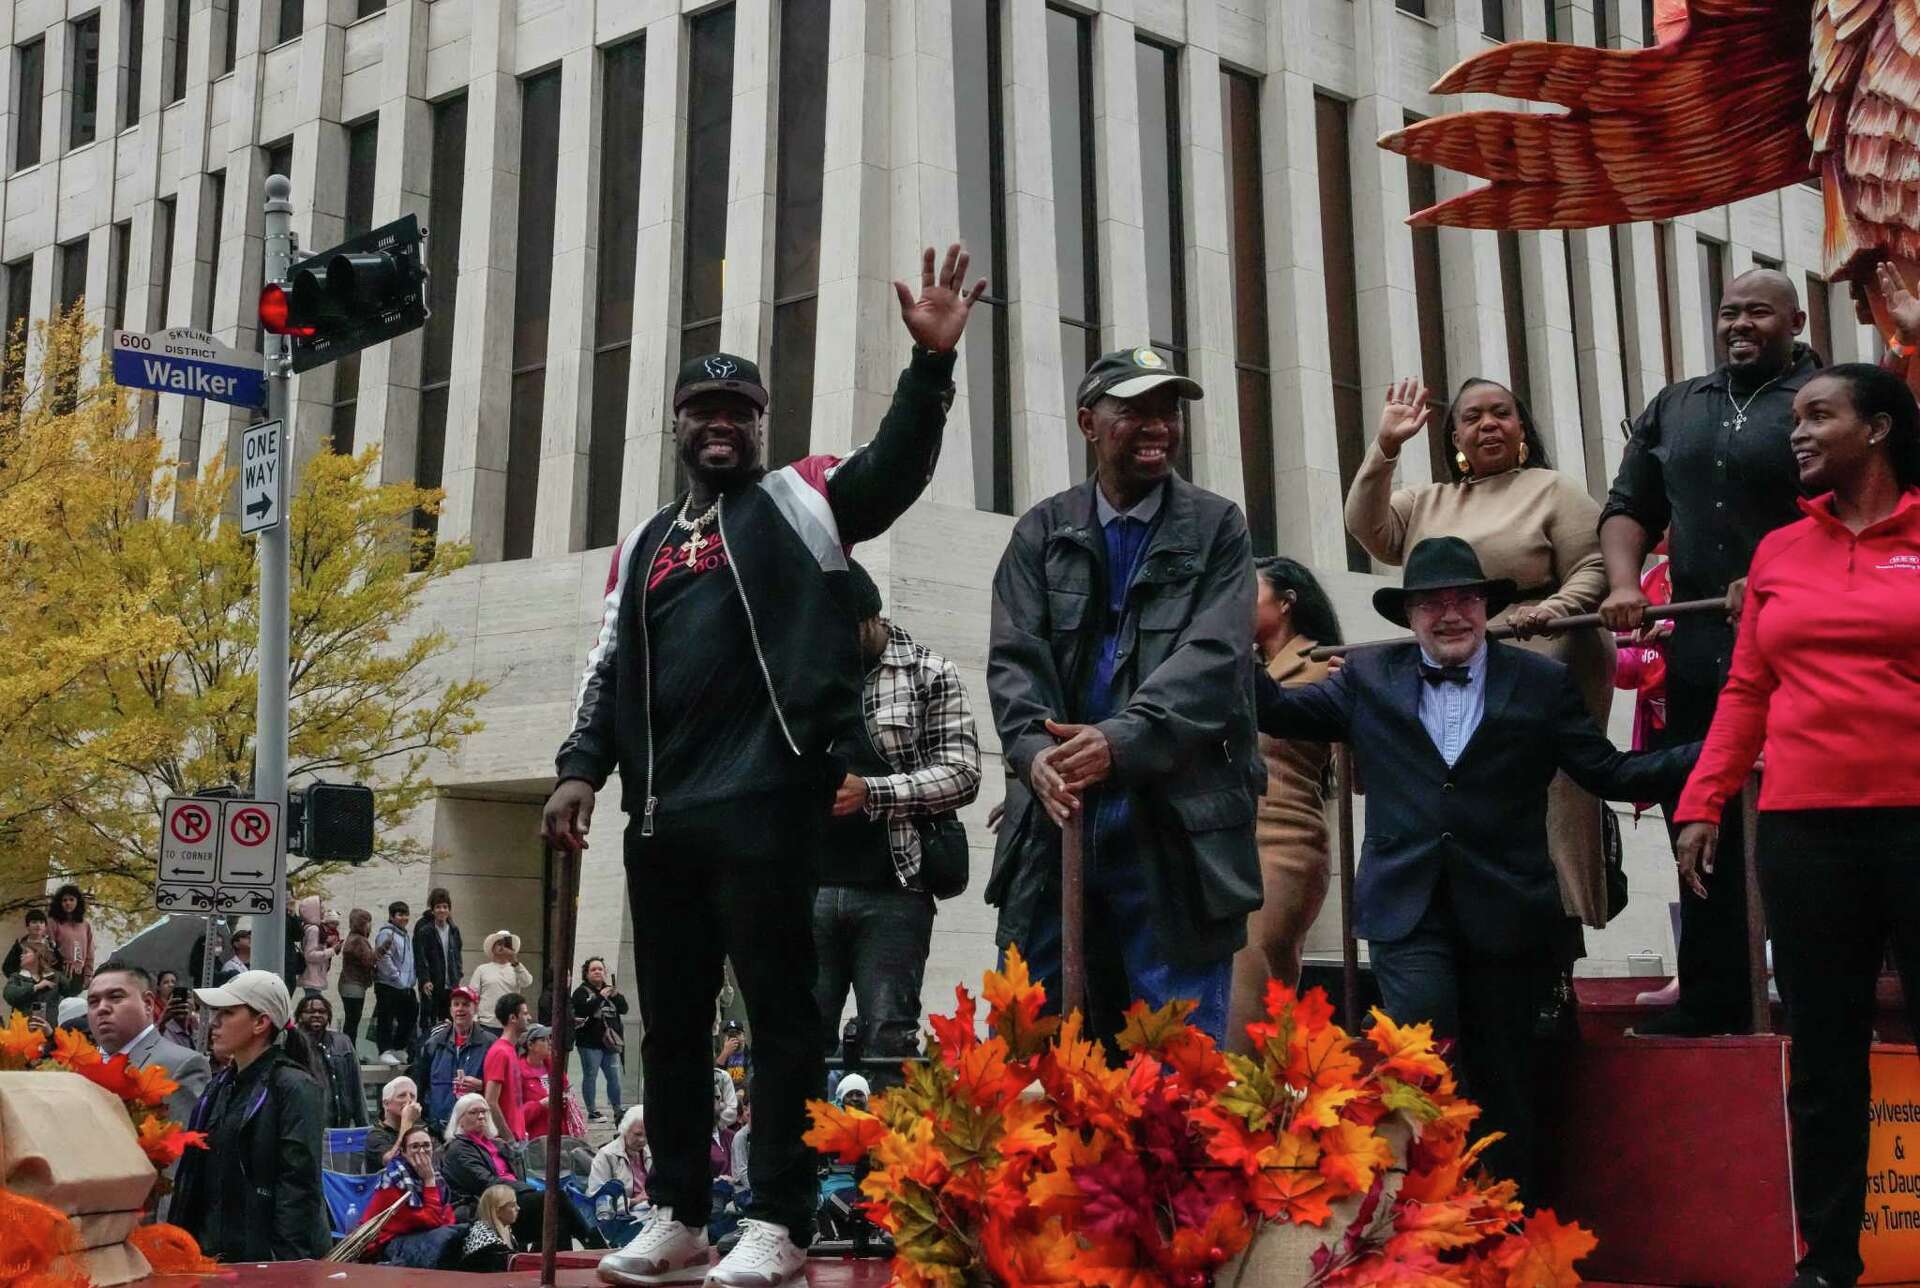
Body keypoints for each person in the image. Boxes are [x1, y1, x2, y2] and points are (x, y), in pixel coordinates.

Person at [544, 242, 983, 1288]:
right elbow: (607, 667)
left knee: (785, 1019)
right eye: (706, 410)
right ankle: (680, 1212)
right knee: (674, 1026)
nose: (723, 424)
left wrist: (929, 372)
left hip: (773, 808)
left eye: (740, 409)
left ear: (760, 425)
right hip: (663, 818)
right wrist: (578, 768)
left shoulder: (803, 500)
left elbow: (892, 471)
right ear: (681, 428)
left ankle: (779, 1219)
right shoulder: (645, 542)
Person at [1252, 536, 1701, 1196]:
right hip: (1406, 906)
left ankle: (1508, 1223)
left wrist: (1712, 755)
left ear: (1486, 607)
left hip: (1508, 910)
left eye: (1464, 599)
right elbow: (1278, 708)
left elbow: (1607, 771)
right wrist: (1227, 637)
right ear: (1410, 616)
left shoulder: (1541, 681)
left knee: (1505, 1077)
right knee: (1421, 1054)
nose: (1451, 614)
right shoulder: (1370, 678)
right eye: (1432, 603)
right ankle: (1429, 1217)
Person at [1671, 363, 1920, 1288]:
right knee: (1823, 1055)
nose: (1798, 433)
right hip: (1806, 830)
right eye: (1796, 419)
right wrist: (1702, 801)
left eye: (1820, 416)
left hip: (1916, 822)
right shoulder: (1778, 551)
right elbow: (1746, 690)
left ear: (1882, 429)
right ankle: (1829, 1261)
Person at [985, 346, 1261, 1046]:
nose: (1158, 426)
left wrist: (1120, 740)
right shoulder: (1039, 533)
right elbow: (1015, 659)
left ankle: (1170, 1162)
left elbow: (1215, 657)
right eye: (1134, 410)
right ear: (1087, 422)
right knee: (1030, 1042)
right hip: (1057, 817)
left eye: (1168, 410)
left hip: (1175, 820)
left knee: (1177, 1051)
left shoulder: (1219, 525)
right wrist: (1030, 755)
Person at [1599, 268, 1821, 1038]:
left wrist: (1772, 572)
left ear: (1795, 319)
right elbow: (1629, 506)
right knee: (1698, 807)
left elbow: (1867, 498)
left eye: (1758, 312)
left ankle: (1816, 999)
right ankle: (1712, 998)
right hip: (1697, 652)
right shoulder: (1675, 404)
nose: (1739, 325)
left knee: (1803, 828)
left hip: (1803, 648)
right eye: (1729, 312)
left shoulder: (1827, 398)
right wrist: (1627, 583)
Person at [1347, 376, 1616, 947]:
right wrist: (1386, 448)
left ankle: (1555, 950)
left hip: (1543, 653)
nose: (1487, 424)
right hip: (1447, 662)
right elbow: (1367, 529)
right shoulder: (1427, 501)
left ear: (1522, 428)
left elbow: (1594, 567)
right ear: (1454, 437)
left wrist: (1549, 612)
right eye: (1471, 417)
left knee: (1546, 807)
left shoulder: (1554, 490)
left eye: (1501, 413)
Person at [814, 558, 982, 1059]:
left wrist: (873, 791)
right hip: (808, 883)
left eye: (843, 633)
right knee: (796, 1035)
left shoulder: (929, 672)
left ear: (872, 620)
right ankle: (792, 1141)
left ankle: (890, 1139)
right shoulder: (806, 669)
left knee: (888, 1038)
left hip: (895, 885)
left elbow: (964, 772)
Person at [1226, 557, 1344, 1052]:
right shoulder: (1237, 669)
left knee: (1254, 966)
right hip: (1231, 838)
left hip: (1285, 840)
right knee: (1244, 973)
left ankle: (1243, 1097)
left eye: (1247, 592)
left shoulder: (1324, 664)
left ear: (1286, 602)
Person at [170, 969, 329, 1261]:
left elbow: (298, 1188)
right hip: (210, 1258)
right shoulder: (219, 1086)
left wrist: (284, 1269)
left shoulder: (295, 1087)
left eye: (227, 1012)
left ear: (260, 1023)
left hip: (264, 1264)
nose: (214, 1022)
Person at [441, 1091, 594, 1250]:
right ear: (460, 1120)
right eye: (473, 1112)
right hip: (485, 1204)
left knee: (558, 1222)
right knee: (556, 1198)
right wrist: (526, 1189)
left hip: (515, 1197)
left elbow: (519, 1171)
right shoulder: (458, 1149)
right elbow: (486, 1182)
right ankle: (592, 1243)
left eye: (484, 1111)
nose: (481, 1116)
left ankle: (557, 1266)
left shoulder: (497, 1144)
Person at [88, 961, 211, 1129]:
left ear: (148, 1003)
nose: (102, 1008)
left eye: (115, 997)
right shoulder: (77, 1069)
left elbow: (180, 1149)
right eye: (93, 1001)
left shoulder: (181, 1065)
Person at [356, 1124, 462, 1266]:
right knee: (445, 1240)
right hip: (386, 1244)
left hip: (421, 1236)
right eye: (415, 1146)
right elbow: (428, 1221)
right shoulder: (393, 1179)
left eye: (426, 1145)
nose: (422, 1151)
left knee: (465, 1233)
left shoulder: (435, 1173)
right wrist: (429, 1182)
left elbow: (448, 1217)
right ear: (403, 1152)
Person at [414, 983, 495, 1135]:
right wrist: (427, 1119)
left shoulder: (489, 1044)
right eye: (456, 1004)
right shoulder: (433, 1043)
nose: (460, 1009)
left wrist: (481, 1086)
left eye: (466, 1004)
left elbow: (500, 1088)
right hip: (437, 1129)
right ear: (450, 1009)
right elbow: (420, 1084)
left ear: (475, 1008)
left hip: (475, 1130)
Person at [295, 994, 368, 1129]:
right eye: (310, 1011)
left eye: (322, 1011)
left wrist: (362, 1126)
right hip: (303, 1126)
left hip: (339, 1126)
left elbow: (356, 1086)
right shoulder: (291, 1044)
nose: (317, 1015)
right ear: (300, 1016)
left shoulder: (342, 1042)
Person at [573, 957, 629, 1122]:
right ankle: (592, 1111)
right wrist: (600, 998)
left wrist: (616, 995)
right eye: (593, 970)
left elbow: (624, 1009)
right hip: (590, 1043)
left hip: (610, 1042)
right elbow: (583, 1010)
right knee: (590, 1075)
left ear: (605, 972)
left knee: (614, 1076)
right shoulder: (581, 992)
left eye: (600, 969)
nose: (597, 972)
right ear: (587, 973)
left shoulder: (610, 990)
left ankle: (617, 1109)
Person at [589, 1106, 652, 1228]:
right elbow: (598, 1199)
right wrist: (635, 1201)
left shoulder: (650, 1151)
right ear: (624, 1129)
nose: (643, 1140)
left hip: (652, 1209)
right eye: (637, 1134)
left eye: (647, 1134)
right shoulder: (606, 1155)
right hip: (624, 1218)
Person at [518, 1022, 582, 1141]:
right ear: (530, 1045)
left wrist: (566, 1098)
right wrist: (540, 1105)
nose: (550, 1043)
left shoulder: (554, 1066)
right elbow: (515, 1116)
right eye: (544, 1040)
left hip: (561, 1135)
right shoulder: (518, 1072)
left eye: (550, 1038)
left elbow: (566, 1089)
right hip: (535, 1140)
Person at [373, 901, 418, 1063]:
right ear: (391, 916)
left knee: (410, 1013)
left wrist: (410, 980)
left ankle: (399, 1048)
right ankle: (384, 1050)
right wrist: (395, 976)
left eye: (406, 914)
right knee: (386, 1017)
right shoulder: (386, 934)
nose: (404, 917)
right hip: (388, 984)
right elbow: (383, 957)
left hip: (405, 985)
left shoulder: (405, 935)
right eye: (400, 914)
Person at [413, 887, 464, 1028]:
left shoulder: (454, 930)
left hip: (451, 984)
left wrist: (458, 974)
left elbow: (458, 955)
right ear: (432, 909)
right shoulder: (425, 930)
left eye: (445, 907)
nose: (441, 910)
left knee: (449, 1021)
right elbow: (421, 958)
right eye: (438, 907)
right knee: (429, 1021)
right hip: (433, 984)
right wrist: (425, 980)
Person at [483, 992, 530, 1142]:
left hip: (518, 1137)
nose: (529, 1017)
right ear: (513, 1018)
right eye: (525, 1013)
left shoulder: (510, 1050)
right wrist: (509, 1138)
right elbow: (490, 1101)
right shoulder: (500, 1052)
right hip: (507, 1142)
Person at [468, 930, 533, 1024]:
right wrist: (474, 1017)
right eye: (499, 944)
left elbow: (527, 982)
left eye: (506, 944)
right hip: (486, 1022)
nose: (502, 947)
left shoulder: (516, 968)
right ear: (492, 948)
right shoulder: (482, 969)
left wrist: (515, 962)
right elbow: (472, 994)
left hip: (510, 1023)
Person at [364, 1074, 423, 1172]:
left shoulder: (419, 1132)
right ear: (386, 1104)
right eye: (402, 1095)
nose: (408, 1100)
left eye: (412, 1096)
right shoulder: (375, 1135)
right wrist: (407, 1123)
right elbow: (394, 1163)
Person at [457, 1183, 521, 1272]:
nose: (518, 1208)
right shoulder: (489, 1245)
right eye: (513, 1205)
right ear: (497, 1210)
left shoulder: (504, 1229)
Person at [339, 908, 378, 1048]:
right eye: (368, 922)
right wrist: (383, 948)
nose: (370, 925)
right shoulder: (358, 940)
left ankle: (349, 1050)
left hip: (349, 985)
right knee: (352, 1022)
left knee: (351, 1021)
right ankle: (349, 1051)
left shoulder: (353, 937)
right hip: (353, 985)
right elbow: (369, 960)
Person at [46, 884, 94, 985]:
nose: (68, 903)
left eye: (71, 899)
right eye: (64, 900)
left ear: (77, 902)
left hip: (78, 975)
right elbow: (47, 948)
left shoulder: (85, 925)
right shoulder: (53, 922)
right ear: (59, 903)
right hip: (58, 974)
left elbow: (90, 951)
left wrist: (88, 974)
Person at [5, 943, 63, 1026]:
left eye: (25, 952)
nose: (21, 955)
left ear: (37, 955)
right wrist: (35, 987)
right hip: (21, 1032)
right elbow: (9, 995)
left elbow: (71, 991)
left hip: (48, 1032)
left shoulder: (56, 977)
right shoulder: (17, 977)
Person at [3, 908, 64, 978]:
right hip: (26, 985)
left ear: (45, 926)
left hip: (48, 984)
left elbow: (59, 966)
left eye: (41, 922)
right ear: (27, 926)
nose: (38, 925)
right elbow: (7, 967)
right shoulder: (20, 945)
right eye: (34, 922)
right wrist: (19, 980)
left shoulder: (51, 944)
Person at [295, 895, 334, 1001]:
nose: (323, 911)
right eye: (320, 908)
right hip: (312, 975)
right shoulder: (314, 930)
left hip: (313, 975)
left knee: (311, 1001)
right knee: (312, 1003)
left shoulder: (310, 927)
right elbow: (310, 955)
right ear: (313, 911)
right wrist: (332, 950)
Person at [154, 969, 198, 1048]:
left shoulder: (186, 1006)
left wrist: (191, 1015)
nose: (171, 985)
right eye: (166, 982)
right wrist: (163, 1019)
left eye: (173, 982)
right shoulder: (153, 1008)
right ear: (158, 987)